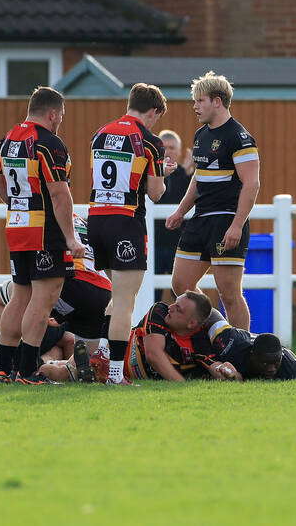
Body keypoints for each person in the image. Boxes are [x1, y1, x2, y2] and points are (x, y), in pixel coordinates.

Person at [0, 86, 85, 385]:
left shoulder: (7, 140)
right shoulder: (49, 143)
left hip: (17, 225)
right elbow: (59, 193)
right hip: (45, 230)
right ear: (53, 113)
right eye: (61, 116)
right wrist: (71, 238)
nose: (60, 122)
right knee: (43, 300)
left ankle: (4, 368)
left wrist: (19, 206)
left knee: (20, 295)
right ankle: (28, 370)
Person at [87, 83, 172, 385]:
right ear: (153, 111)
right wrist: (164, 173)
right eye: (156, 118)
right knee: (126, 300)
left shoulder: (101, 133)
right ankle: (114, 374)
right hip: (125, 222)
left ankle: (100, 356)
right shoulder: (150, 141)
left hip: (96, 218)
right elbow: (157, 193)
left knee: (116, 293)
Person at [167, 71, 260, 330]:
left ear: (217, 101)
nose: (195, 106)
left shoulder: (239, 137)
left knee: (229, 294)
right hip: (199, 220)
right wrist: (180, 211)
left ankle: (239, 348)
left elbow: (252, 183)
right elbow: (198, 178)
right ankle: (216, 334)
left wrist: (237, 225)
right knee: (180, 286)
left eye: (200, 100)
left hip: (226, 219)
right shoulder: (200, 135)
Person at [124, 291, 214, 381]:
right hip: (111, 355)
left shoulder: (200, 341)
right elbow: (153, 354)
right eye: (175, 303)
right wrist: (181, 385)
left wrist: (223, 369)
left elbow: (214, 365)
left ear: (191, 323)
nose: (170, 307)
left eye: (178, 309)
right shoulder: (159, 311)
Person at [199, 309, 296, 380]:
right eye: (265, 364)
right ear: (252, 355)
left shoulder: (290, 367)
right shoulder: (228, 345)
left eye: (275, 363)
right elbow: (209, 313)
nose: (272, 369)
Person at [154, 130, 192, 303]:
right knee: (150, 290)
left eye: (172, 148)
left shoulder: (187, 177)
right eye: (164, 148)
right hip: (154, 242)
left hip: (178, 243)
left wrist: (188, 174)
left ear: (179, 151)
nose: (168, 151)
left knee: (180, 291)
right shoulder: (151, 174)